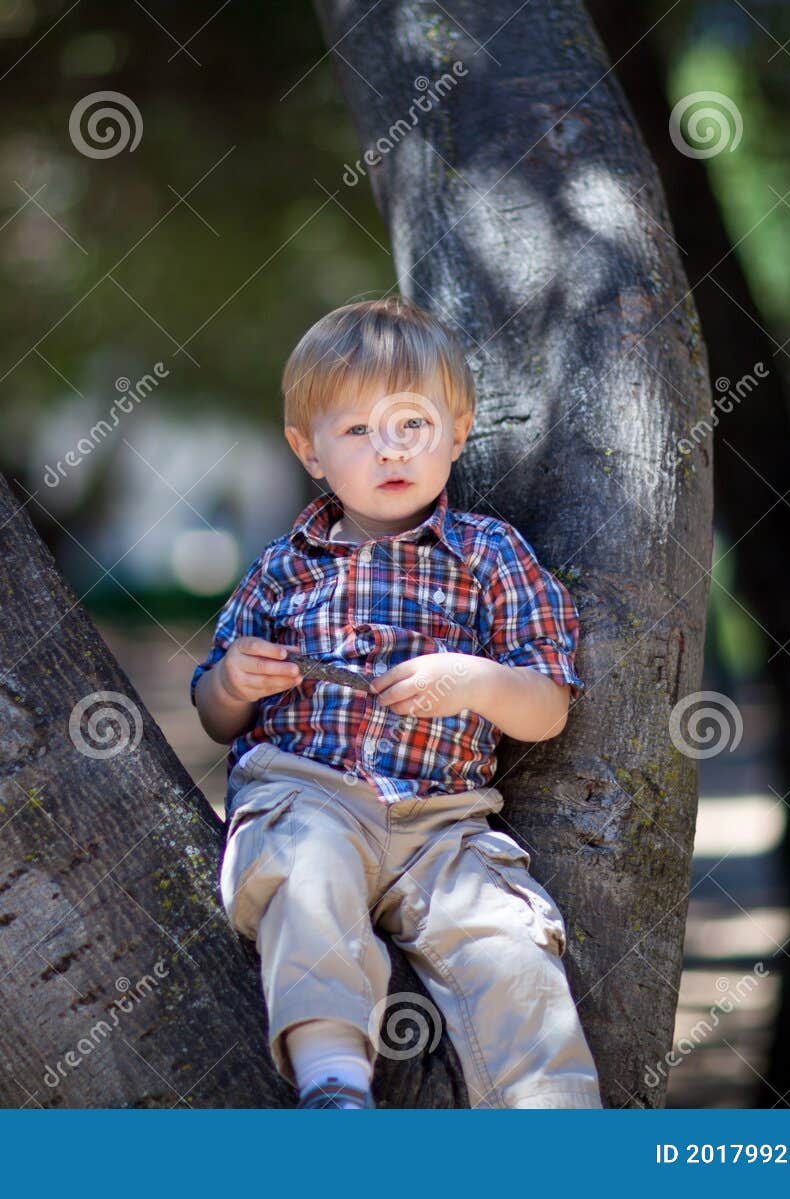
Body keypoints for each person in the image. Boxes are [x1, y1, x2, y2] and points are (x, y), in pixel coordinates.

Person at [189, 295, 602, 1110]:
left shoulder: (488, 554)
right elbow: (212, 711)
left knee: (512, 946)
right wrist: (232, 682)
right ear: (307, 450)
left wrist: (476, 680)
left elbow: (548, 705)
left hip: (444, 824)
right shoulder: (285, 567)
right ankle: (334, 1082)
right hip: (308, 792)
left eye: (411, 423)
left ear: (458, 431)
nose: (389, 448)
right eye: (356, 429)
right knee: (304, 878)